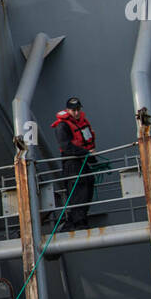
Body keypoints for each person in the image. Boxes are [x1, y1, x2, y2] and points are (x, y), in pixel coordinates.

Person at [51, 96, 97, 228]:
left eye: (77, 110)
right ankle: (78, 222)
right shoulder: (62, 126)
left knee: (88, 185)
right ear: (68, 110)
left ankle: (78, 219)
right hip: (71, 163)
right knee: (78, 191)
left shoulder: (81, 123)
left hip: (83, 161)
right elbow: (66, 146)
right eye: (73, 110)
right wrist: (86, 153)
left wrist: (92, 158)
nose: (76, 113)